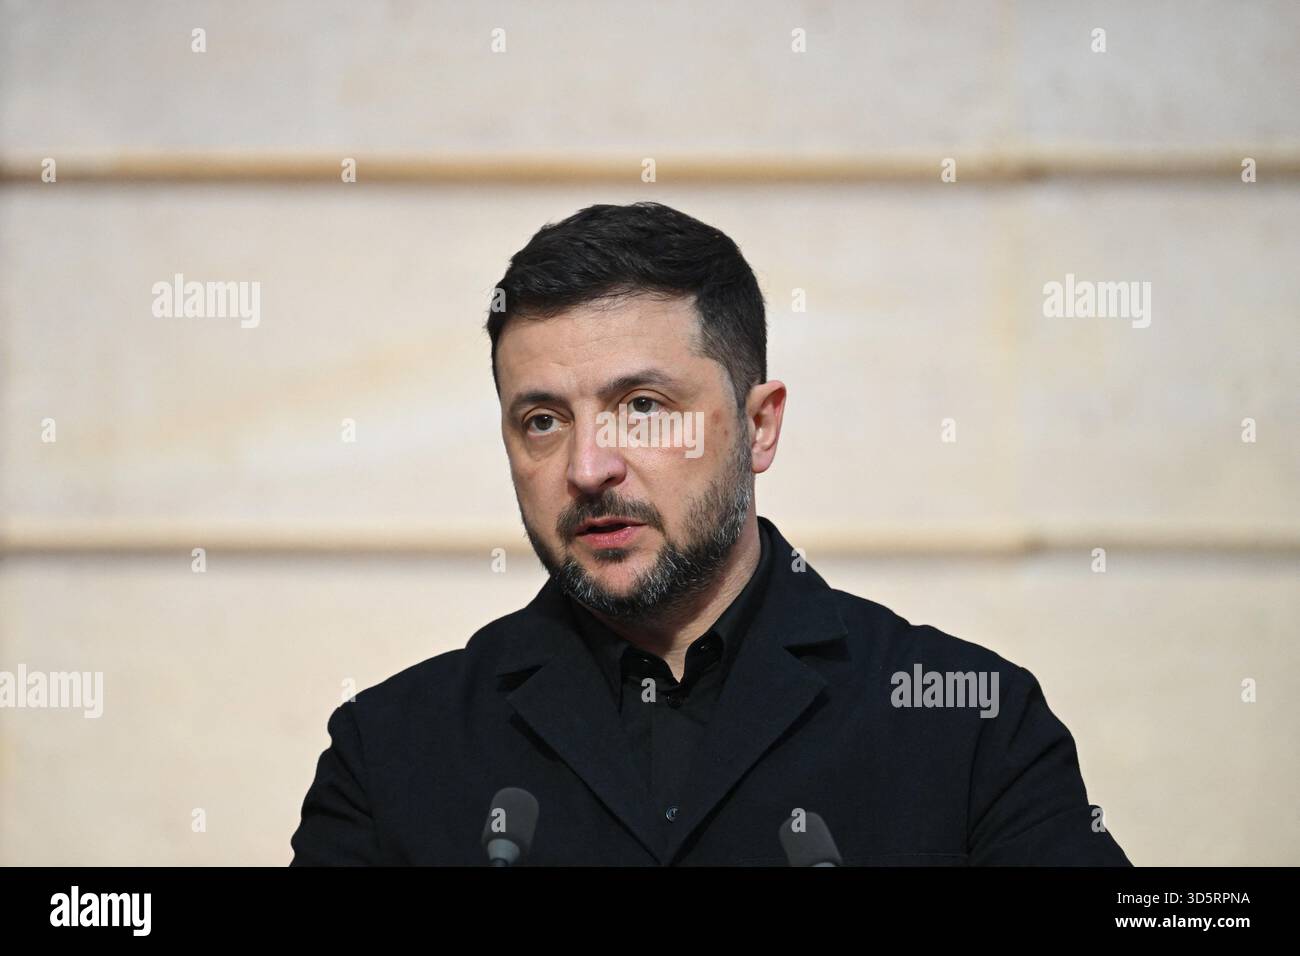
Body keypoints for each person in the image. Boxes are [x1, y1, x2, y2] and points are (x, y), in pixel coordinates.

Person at [289, 201, 1130, 866]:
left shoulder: (970, 722)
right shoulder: (393, 749)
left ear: (759, 426)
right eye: (542, 420)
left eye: (643, 409)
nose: (589, 467)